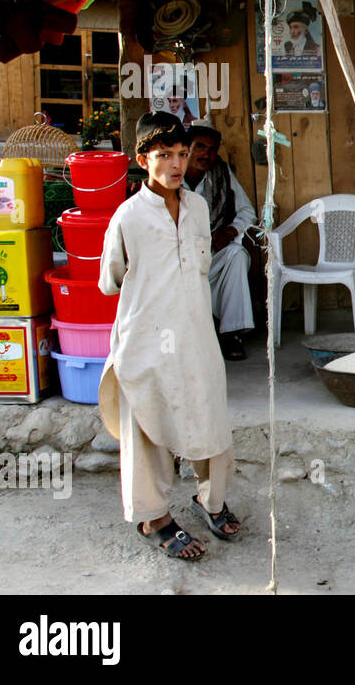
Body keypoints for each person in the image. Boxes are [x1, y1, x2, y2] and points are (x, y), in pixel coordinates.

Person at [97, 112, 238, 561]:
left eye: (182, 154)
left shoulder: (197, 208)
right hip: (146, 336)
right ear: (143, 159)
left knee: (209, 414)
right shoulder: (128, 218)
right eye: (164, 155)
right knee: (148, 425)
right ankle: (153, 516)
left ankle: (209, 499)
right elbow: (111, 280)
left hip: (195, 333)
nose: (177, 164)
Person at [184, 122, 256, 361]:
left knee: (236, 254)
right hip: (180, 258)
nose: (206, 154)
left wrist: (230, 231)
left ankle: (232, 334)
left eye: (212, 149)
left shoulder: (220, 171)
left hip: (212, 252)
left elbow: (247, 211)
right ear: (186, 148)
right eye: (200, 147)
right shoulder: (173, 173)